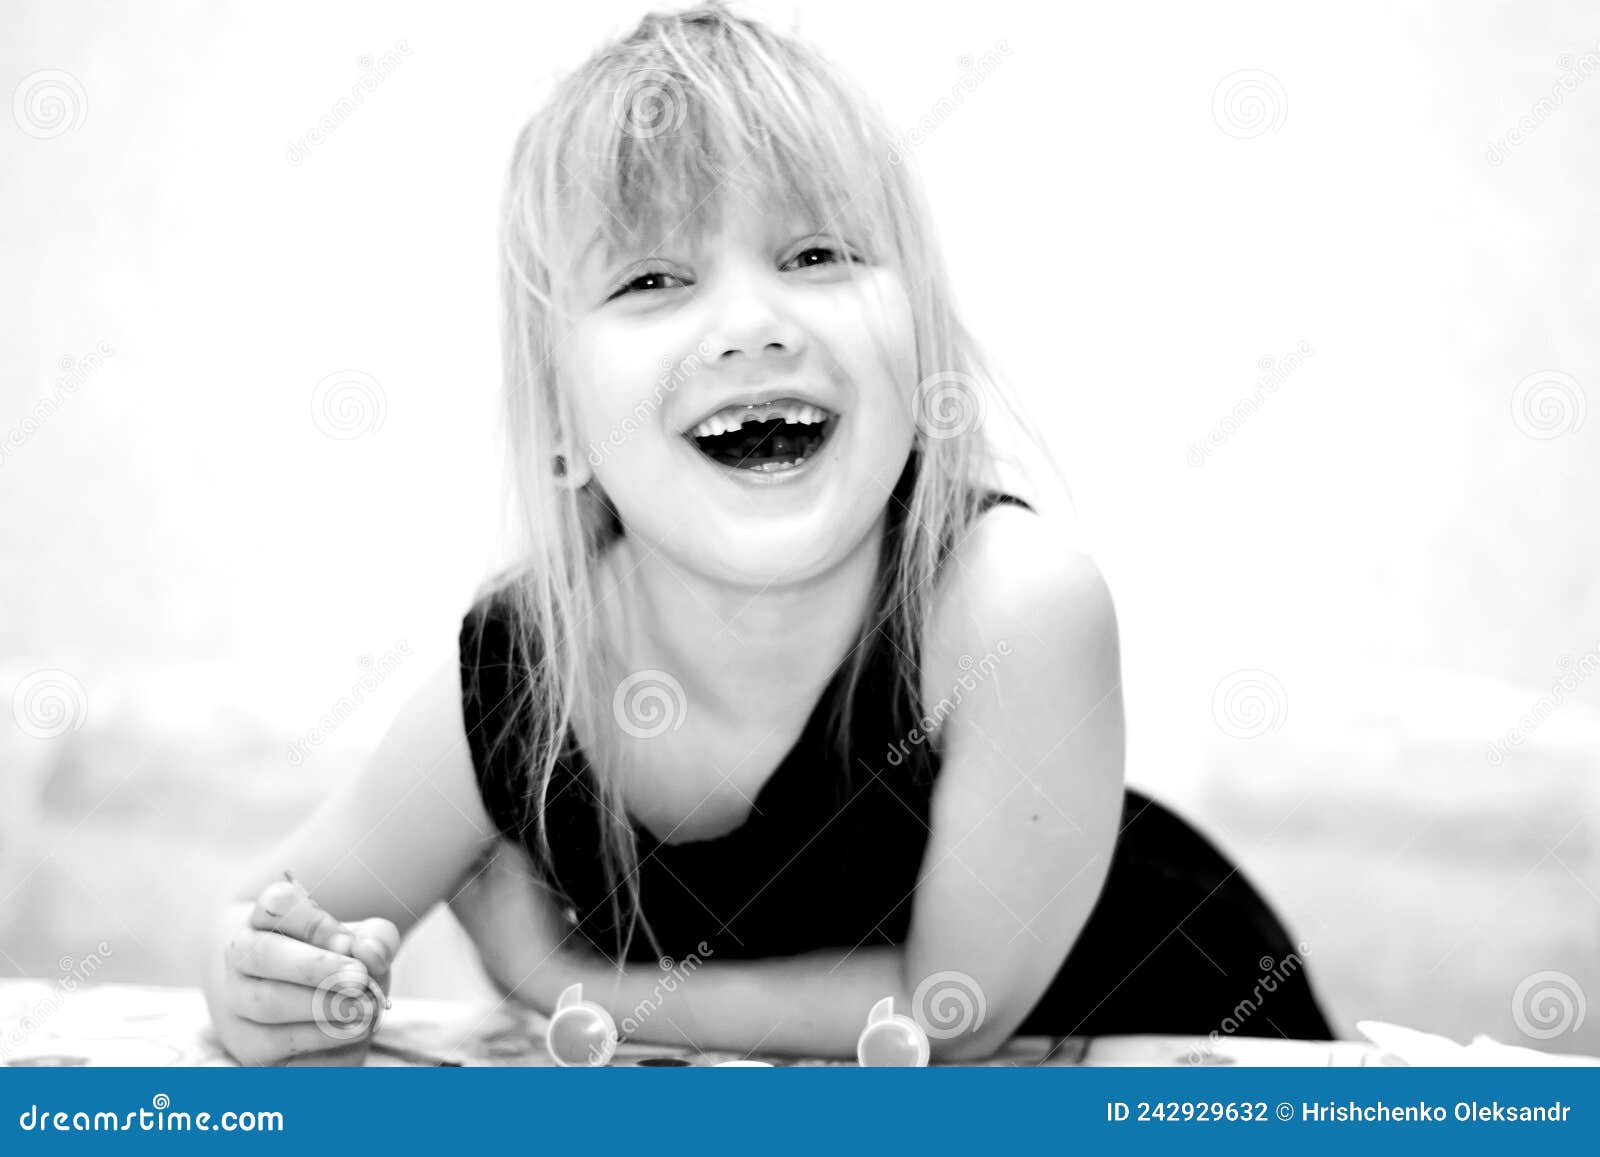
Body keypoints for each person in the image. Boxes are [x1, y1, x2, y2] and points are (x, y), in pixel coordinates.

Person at [203, 1, 1333, 1066]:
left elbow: (953, 1011)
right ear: (563, 427)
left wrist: (559, 977)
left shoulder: (1013, 602)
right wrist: (267, 983)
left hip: (1180, 1038)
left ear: (923, 357)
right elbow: (274, 923)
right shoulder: (521, 678)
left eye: (814, 256)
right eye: (652, 277)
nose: (750, 325)